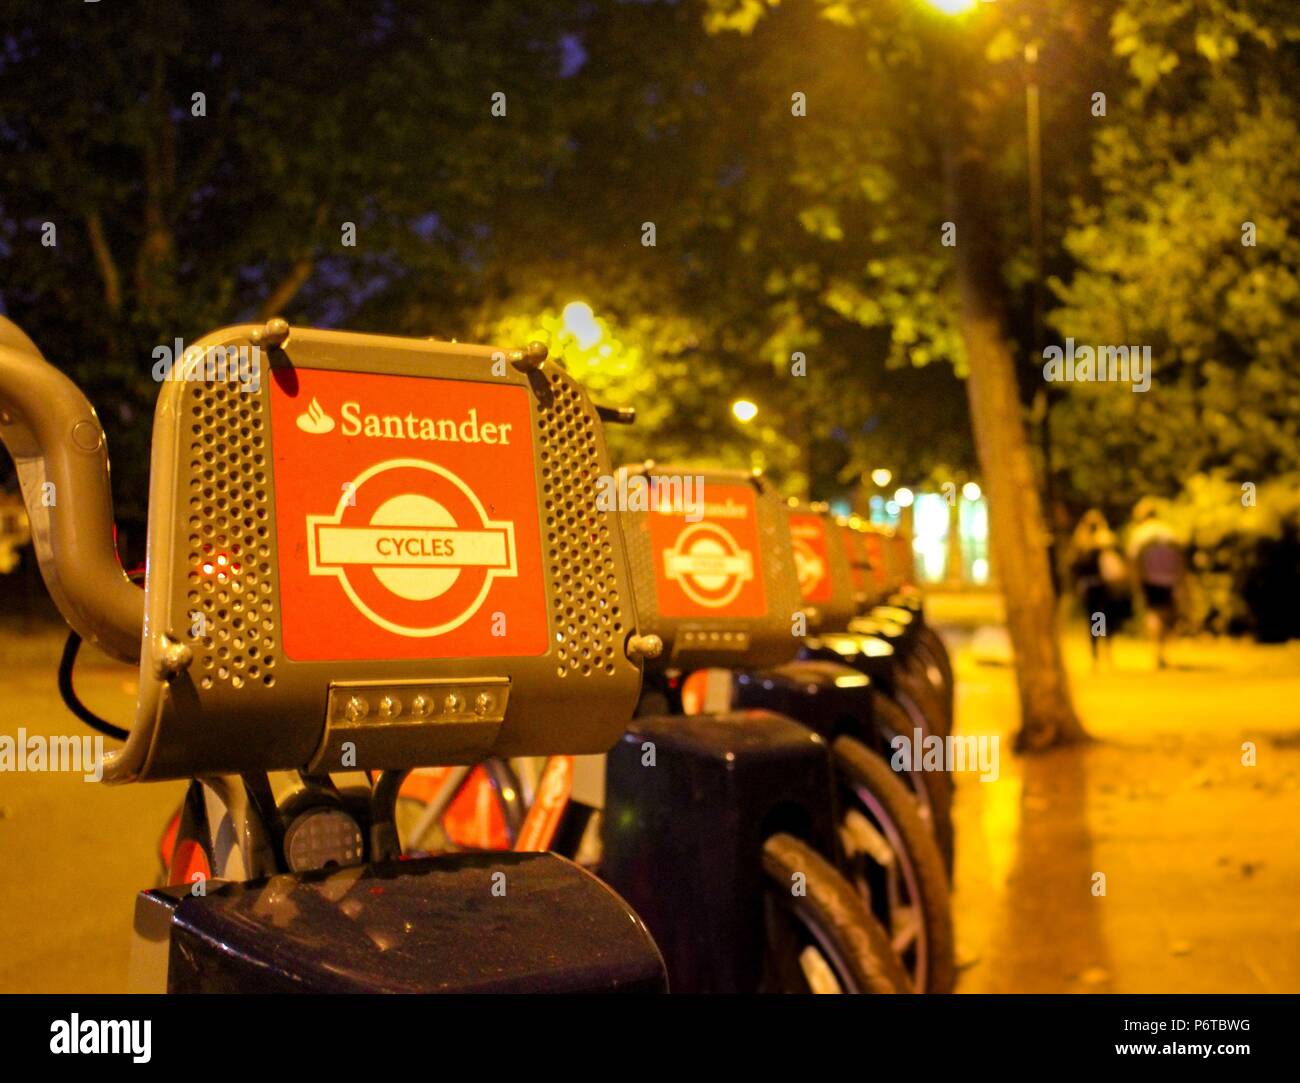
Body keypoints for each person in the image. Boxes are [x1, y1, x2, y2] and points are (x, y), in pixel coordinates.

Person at [1127, 498, 1184, 670]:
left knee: (1154, 613)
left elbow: (1133, 558)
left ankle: (1157, 651)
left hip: (1149, 578)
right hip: (1169, 578)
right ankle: (1162, 651)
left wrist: (1135, 580)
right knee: (1166, 613)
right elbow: (1180, 555)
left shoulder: (1140, 533)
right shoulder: (1168, 531)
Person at [1069, 509, 1129, 670]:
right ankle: (1104, 650)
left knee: (1097, 619)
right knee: (1103, 619)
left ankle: (1098, 652)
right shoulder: (1105, 542)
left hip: (1092, 588)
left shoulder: (1082, 544)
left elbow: (1074, 568)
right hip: (1103, 587)